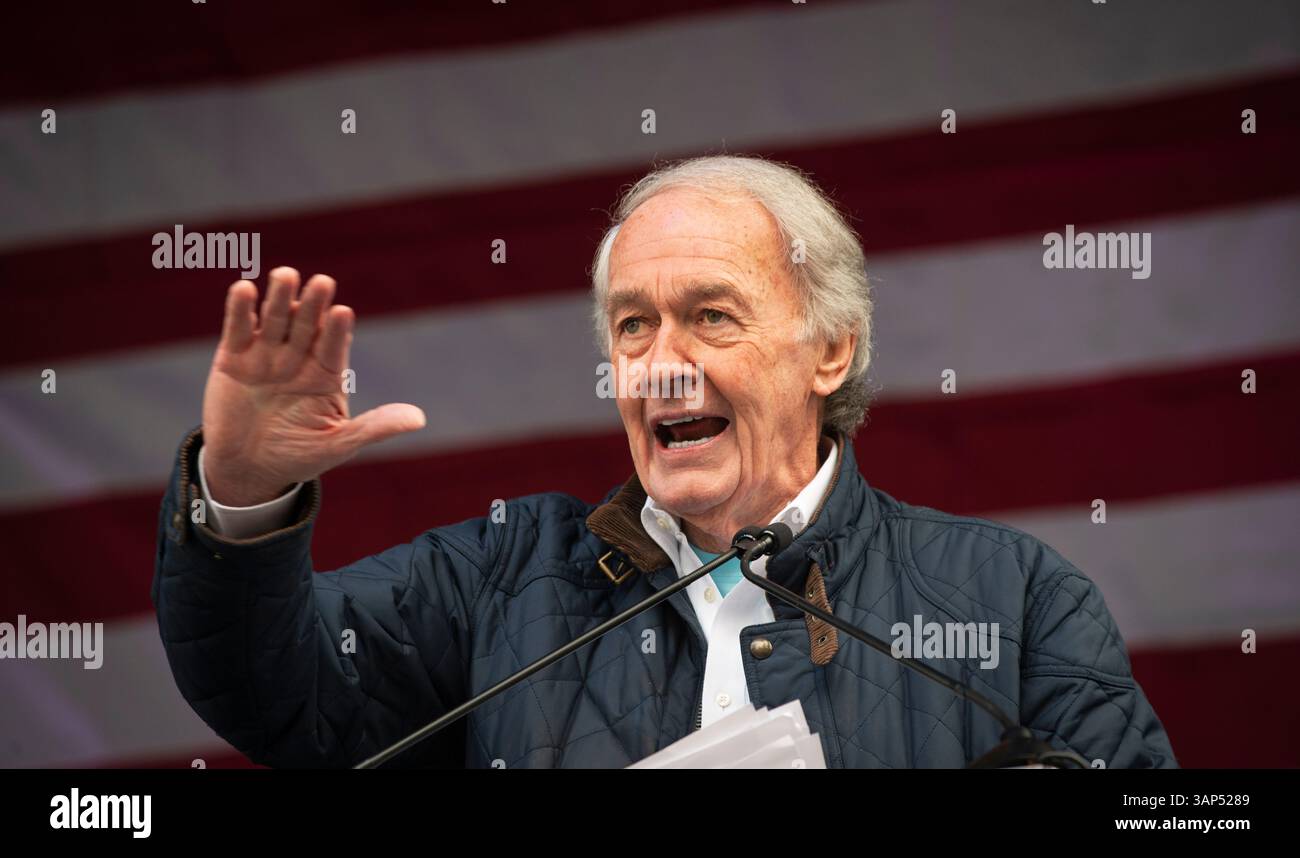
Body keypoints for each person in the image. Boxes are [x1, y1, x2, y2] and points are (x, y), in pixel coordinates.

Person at [152, 155, 1176, 768]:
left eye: (709, 318)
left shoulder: (1016, 600)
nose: (660, 365)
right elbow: (279, 695)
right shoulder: (499, 581)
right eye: (632, 326)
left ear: (831, 348)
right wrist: (244, 489)